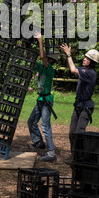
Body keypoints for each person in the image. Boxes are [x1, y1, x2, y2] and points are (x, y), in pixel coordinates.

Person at [60, 43, 99, 152]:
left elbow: (73, 70)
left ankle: (80, 156)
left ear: (92, 62)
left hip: (86, 107)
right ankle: (74, 156)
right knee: (72, 133)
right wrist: (67, 55)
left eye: (87, 58)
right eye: (85, 57)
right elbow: (72, 68)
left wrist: (68, 54)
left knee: (79, 133)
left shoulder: (90, 73)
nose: (84, 59)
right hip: (78, 105)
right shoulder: (84, 70)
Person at [28, 31, 58, 162]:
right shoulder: (41, 68)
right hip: (41, 99)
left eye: (47, 58)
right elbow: (33, 60)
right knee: (31, 121)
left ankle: (51, 152)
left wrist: (40, 41)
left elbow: (41, 56)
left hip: (46, 101)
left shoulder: (50, 68)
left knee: (45, 126)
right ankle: (39, 142)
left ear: (51, 60)